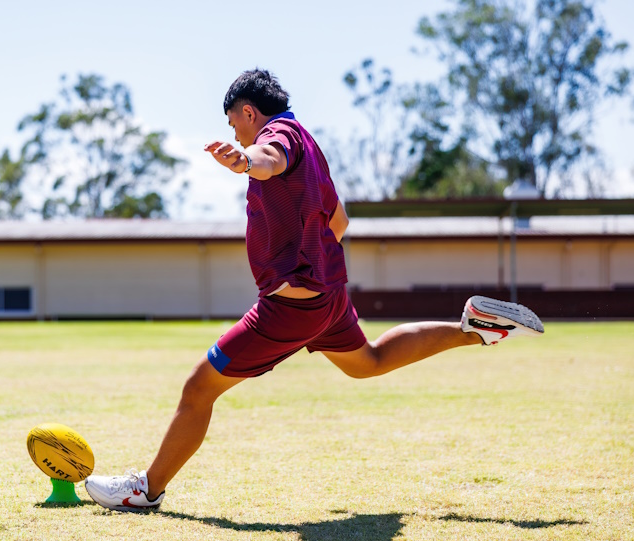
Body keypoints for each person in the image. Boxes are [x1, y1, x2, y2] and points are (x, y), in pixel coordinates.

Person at [82, 69, 545, 511]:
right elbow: (339, 221)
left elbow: (268, 159)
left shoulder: (275, 139)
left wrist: (246, 161)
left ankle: (148, 489)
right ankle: (474, 329)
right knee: (370, 362)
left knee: (198, 387)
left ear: (248, 112)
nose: (238, 136)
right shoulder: (310, 144)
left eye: (235, 125)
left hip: (289, 309)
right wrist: (313, 269)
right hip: (326, 297)